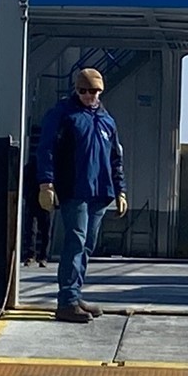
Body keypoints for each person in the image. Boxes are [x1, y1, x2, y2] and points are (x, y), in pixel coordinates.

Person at [34, 68, 126, 324]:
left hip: (100, 192)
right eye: (83, 91)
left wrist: (120, 189)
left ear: (100, 91)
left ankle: (75, 294)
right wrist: (46, 184)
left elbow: (115, 157)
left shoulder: (106, 120)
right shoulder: (63, 115)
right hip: (74, 189)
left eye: (93, 91)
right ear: (76, 90)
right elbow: (47, 149)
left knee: (87, 245)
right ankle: (67, 301)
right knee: (75, 242)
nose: (88, 95)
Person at [19, 130, 53, 268]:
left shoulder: (50, 167)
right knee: (34, 230)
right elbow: (24, 181)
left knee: (42, 230)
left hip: (44, 201)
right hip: (34, 200)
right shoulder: (33, 166)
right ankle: (33, 256)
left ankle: (40, 256)